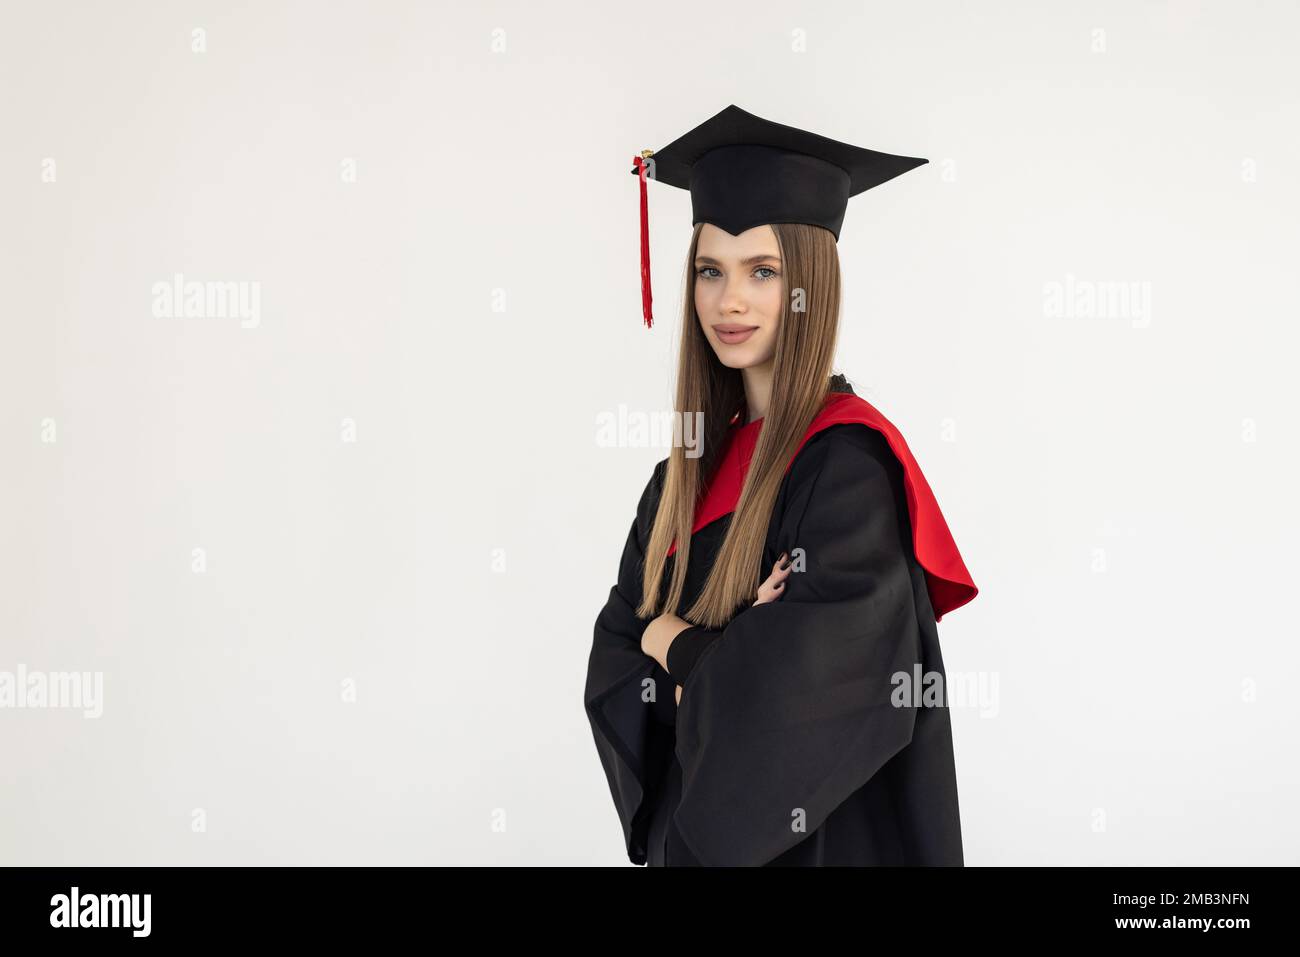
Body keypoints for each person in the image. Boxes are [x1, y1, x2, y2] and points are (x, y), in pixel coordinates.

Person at [584, 105, 979, 866]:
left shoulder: (846, 466)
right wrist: (719, 654)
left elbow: (808, 697)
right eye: (711, 269)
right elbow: (612, 663)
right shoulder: (676, 482)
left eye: (762, 271)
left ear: (809, 284)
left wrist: (675, 643)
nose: (729, 301)